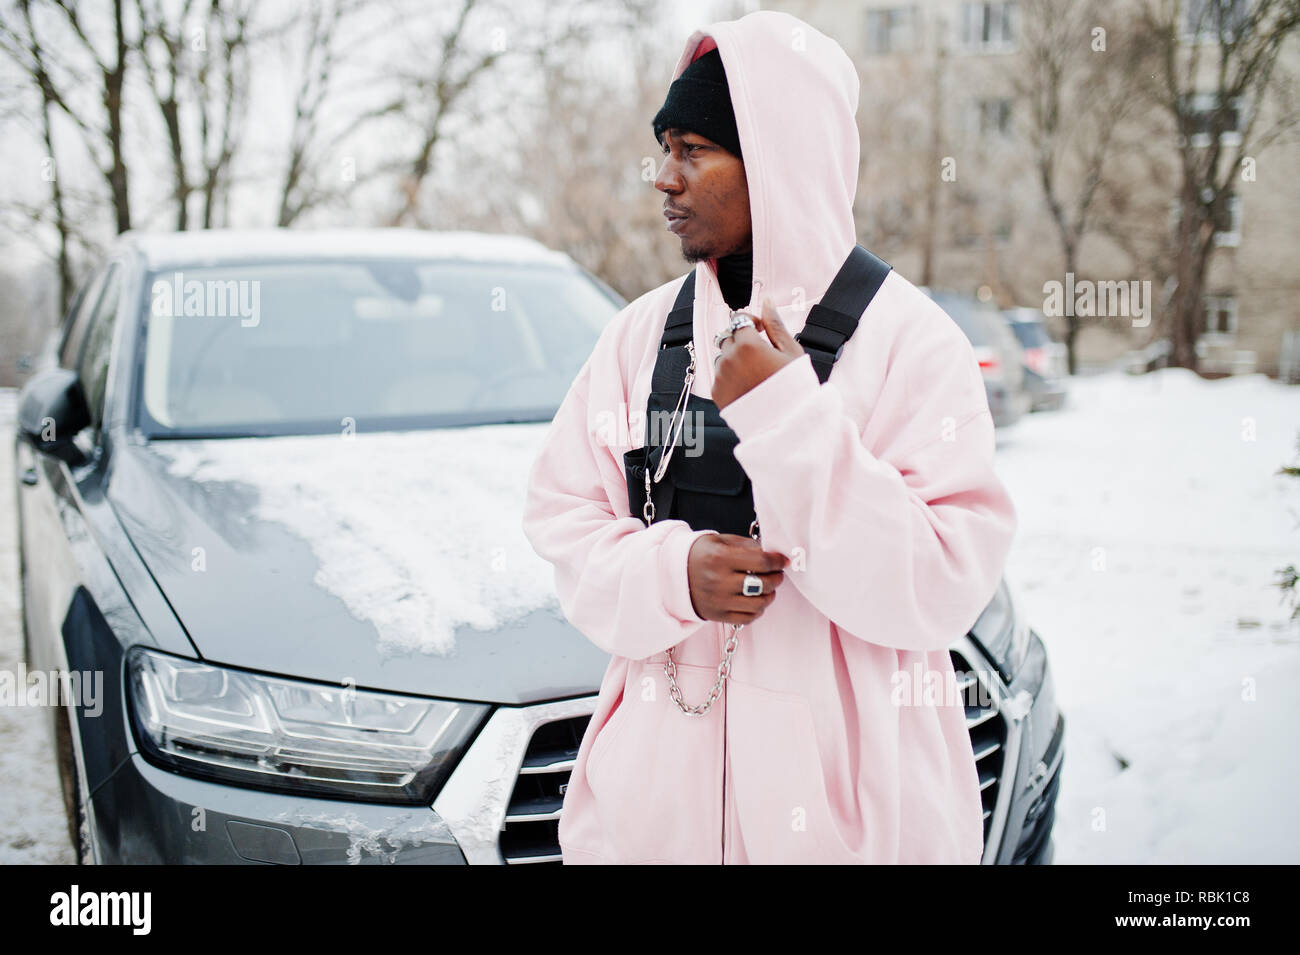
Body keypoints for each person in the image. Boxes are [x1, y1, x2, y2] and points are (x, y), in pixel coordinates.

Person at [521, 9, 1017, 864]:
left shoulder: (909, 342)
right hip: (650, 824)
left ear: (779, 158)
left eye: (694, 150)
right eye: (664, 147)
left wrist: (787, 415)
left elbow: (941, 580)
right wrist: (671, 571)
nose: (663, 178)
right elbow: (564, 523)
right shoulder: (641, 337)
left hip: (848, 827)